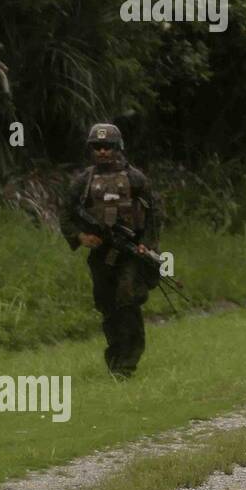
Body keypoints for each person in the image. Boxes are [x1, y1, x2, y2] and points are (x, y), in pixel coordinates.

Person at [59, 123, 162, 378]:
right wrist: (80, 236)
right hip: (101, 253)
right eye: (97, 147)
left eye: (108, 147)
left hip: (131, 251)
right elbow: (66, 213)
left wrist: (146, 244)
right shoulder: (84, 180)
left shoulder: (136, 178)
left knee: (127, 299)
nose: (103, 152)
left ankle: (127, 364)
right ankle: (115, 358)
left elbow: (155, 214)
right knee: (107, 304)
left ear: (118, 148)